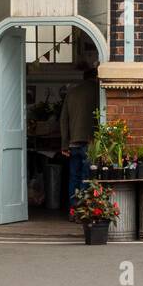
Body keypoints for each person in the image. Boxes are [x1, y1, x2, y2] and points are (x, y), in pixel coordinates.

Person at [59, 60, 101, 215]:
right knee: (87, 177)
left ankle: (73, 210)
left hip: (73, 143)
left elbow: (63, 119)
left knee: (74, 177)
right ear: (96, 77)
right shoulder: (99, 90)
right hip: (91, 143)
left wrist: (64, 144)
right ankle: (84, 210)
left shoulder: (72, 92)